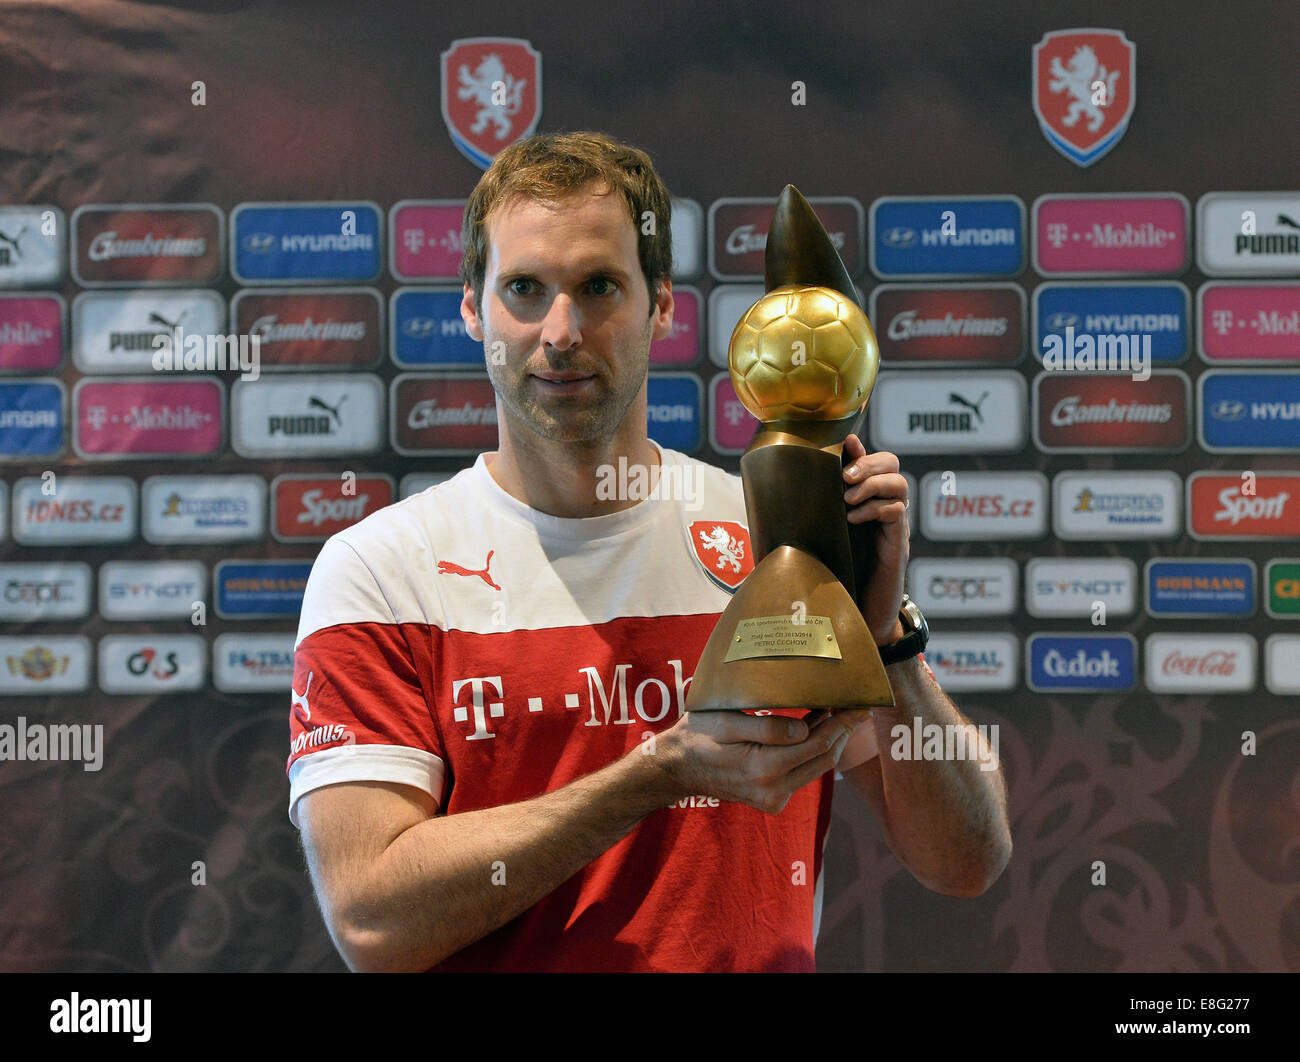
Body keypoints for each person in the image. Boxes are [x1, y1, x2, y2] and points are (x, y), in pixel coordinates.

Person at [287, 131, 1012, 973]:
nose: (560, 332)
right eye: (524, 289)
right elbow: (372, 921)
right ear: (472, 311)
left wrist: (888, 645)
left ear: (661, 304)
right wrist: (655, 773)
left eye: (599, 287)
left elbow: (966, 859)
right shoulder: (381, 572)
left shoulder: (766, 532)